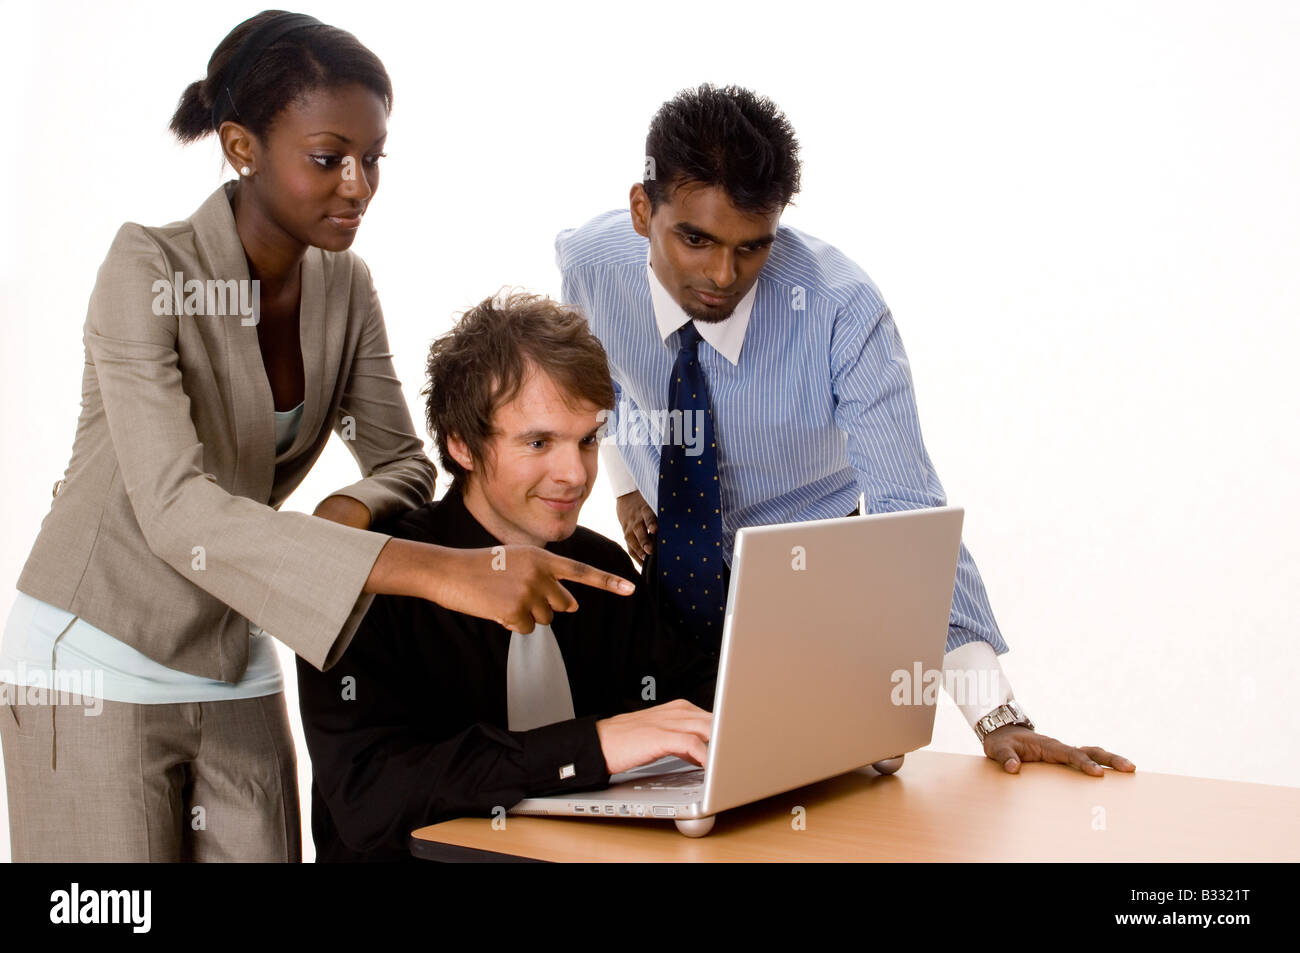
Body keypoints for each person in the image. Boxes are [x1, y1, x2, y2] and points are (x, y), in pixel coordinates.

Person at [0, 11, 630, 863]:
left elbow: (405, 459)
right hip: (98, 647)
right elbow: (179, 513)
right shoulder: (148, 269)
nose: (358, 185)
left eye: (373, 159)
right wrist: (451, 574)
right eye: (329, 158)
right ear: (242, 146)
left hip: (233, 643)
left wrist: (347, 507)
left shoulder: (344, 283)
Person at [557, 83, 1135, 778]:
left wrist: (996, 713)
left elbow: (909, 510)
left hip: (811, 593)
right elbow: (596, 377)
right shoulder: (592, 261)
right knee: (672, 784)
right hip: (672, 586)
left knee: (832, 784)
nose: (721, 274)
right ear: (642, 209)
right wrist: (624, 484)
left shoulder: (840, 312)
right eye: (695, 239)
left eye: (752, 247)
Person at [296, 292, 717, 862]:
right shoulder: (375, 582)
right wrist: (589, 747)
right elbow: (371, 799)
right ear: (462, 445)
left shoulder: (604, 571)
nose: (574, 475)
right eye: (539, 442)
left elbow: (695, 700)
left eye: (588, 440)